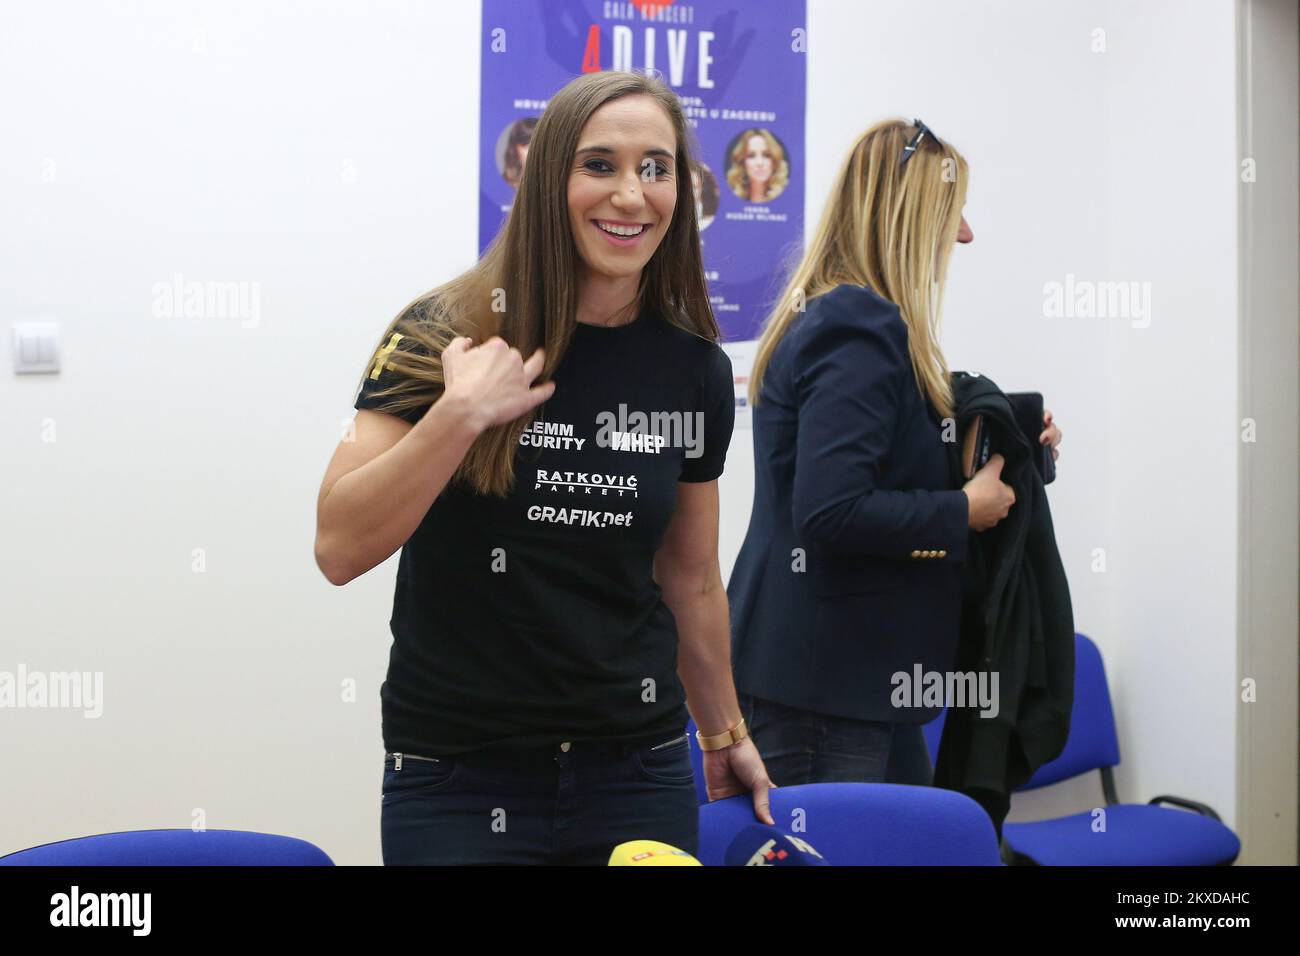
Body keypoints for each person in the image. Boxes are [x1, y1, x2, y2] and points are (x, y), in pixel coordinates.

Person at [314, 70, 773, 865]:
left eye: (656, 168)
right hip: (457, 779)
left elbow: (691, 579)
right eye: (600, 165)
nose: (632, 194)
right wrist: (457, 417)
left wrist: (724, 730)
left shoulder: (692, 367)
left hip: (637, 771)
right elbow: (339, 547)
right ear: (547, 177)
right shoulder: (438, 335)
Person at [727, 118, 1062, 788]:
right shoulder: (858, 326)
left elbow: (875, 465)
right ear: (911, 213)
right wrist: (961, 509)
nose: (963, 234)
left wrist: (1009, 450)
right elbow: (832, 510)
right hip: (827, 687)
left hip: (844, 680)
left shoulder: (841, 318)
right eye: (953, 211)